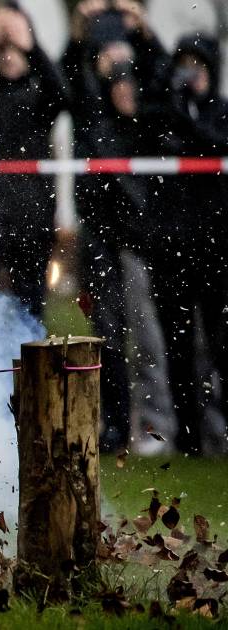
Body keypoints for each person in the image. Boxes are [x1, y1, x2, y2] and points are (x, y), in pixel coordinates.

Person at [62, 0, 168, 451]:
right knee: (105, 332)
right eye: (116, 81)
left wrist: (145, 32)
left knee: (148, 334)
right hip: (101, 233)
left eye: (131, 81)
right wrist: (80, 35)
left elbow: (164, 76)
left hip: (140, 235)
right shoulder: (92, 111)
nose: (126, 91)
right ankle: (116, 425)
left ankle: (156, 426)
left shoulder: (150, 113)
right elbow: (70, 79)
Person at [146, 34, 228, 455]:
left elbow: (213, 143)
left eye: (199, 66)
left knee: (220, 344)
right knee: (176, 346)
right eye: (184, 65)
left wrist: (185, 114)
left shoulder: (221, 112)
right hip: (170, 247)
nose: (192, 74)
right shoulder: (162, 114)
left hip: (215, 247)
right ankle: (189, 436)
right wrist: (172, 99)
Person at [0, 2, 67, 318]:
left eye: (15, 51)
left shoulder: (39, 95)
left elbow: (62, 94)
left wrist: (30, 45)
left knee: (31, 302)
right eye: (2, 51)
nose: (8, 57)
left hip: (32, 213)